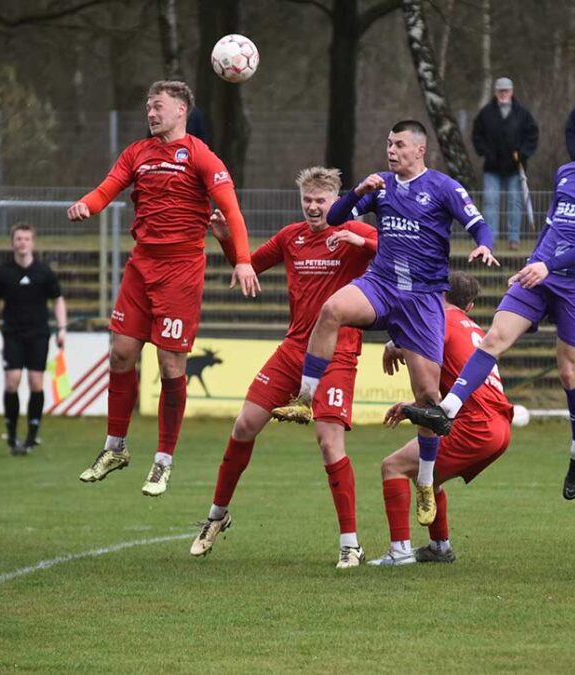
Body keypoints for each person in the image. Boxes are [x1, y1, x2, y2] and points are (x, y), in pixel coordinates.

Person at [270, 120, 498, 528]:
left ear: (419, 150)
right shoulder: (381, 186)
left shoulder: (443, 187)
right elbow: (338, 218)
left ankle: (426, 482)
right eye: (387, 144)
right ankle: (305, 399)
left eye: (397, 144)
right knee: (332, 310)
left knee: (428, 397)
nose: (390, 150)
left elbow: (476, 221)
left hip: (424, 299)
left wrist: (484, 243)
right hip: (382, 284)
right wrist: (358, 192)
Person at [403, 107, 575, 503]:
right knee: (493, 338)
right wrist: (534, 263)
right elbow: (553, 226)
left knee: (569, 370)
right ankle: (449, 410)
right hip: (541, 274)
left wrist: (549, 265)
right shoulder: (566, 173)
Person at [67, 80, 259, 496]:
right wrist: (88, 204)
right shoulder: (137, 153)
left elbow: (230, 209)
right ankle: (115, 447)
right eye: (148, 107)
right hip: (142, 264)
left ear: (180, 111)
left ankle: (162, 461)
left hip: (181, 270)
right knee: (120, 352)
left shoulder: (202, 156)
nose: (150, 114)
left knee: (171, 367)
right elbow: (107, 188)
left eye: (157, 107)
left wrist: (243, 260)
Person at [190, 166, 378, 568]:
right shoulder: (290, 237)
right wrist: (227, 242)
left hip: (338, 354)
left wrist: (360, 238)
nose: (312, 207)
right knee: (243, 425)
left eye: (321, 201)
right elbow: (250, 266)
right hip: (294, 350)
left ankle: (351, 544)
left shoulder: (354, 235)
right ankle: (216, 516)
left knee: (329, 443)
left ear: (336, 202)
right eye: (307, 200)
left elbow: (392, 257)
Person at [370, 272, 514, 566]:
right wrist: (414, 407)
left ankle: (399, 552)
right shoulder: (474, 329)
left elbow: (416, 341)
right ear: (470, 306)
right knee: (428, 472)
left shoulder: (442, 321)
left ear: (439, 295)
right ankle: (440, 548)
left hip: (475, 426)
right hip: (497, 426)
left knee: (394, 467)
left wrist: (392, 345)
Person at [0, 223, 67, 455]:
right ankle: (11, 434)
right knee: (12, 381)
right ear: (13, 242)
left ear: (33, 242)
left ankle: (31, 436)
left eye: (27, 239)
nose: (22, 243)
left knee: (35, 383)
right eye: (18, 239)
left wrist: (62, 328)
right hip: (13, 333)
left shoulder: (43, 272)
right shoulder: (3, 273)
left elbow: (58, 299)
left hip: (39, 333)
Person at [472, 77, 540, 250]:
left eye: (506, 90)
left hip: (515, 169)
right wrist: (486, 153)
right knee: (490, 202)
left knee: (515, 202)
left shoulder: (522, 113)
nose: (503, 93)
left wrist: (523, 154)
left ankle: (514, 238)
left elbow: (532, 135)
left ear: (511, 92)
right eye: (500, 90)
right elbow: (477, 136)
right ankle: (490, 238)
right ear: (495, 92)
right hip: (492, 167)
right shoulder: (486, 113)